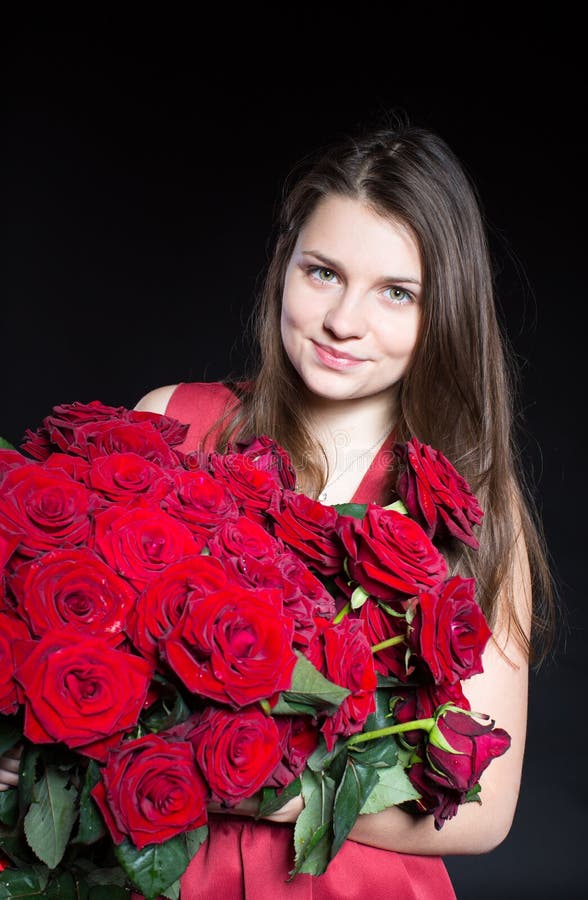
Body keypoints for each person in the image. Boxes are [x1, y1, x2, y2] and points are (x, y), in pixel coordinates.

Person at [0, 115, 554, 898]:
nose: (343, 321)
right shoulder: (173, 422)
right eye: (322, 272)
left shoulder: (471, 511)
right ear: (283, 263)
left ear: (445, 313)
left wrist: (251, 783)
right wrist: (33, 751)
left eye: (397, 293)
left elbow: (485, 813)